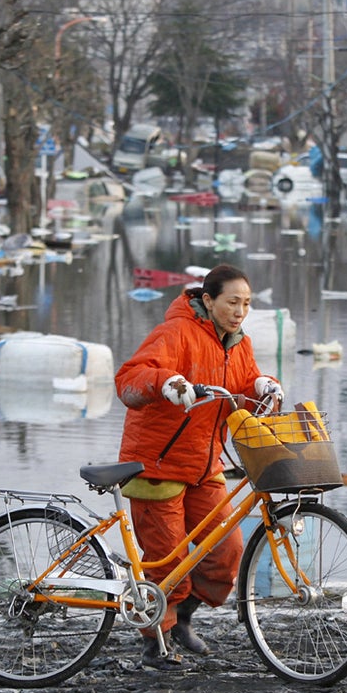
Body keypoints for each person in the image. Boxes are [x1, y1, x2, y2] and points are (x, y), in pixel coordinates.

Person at [114, 264, 283, 669]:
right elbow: (129, 379)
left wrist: (262, 385)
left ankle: (183, 619)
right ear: (208, 301)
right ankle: (156, 641)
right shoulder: (176, 333)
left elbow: (241, 389)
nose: (240, 311)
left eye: (246, 303)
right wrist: (167, 383)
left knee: (226, 551)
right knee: (168, 561)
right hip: (157, 464)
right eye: (232, 302)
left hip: (204, 466)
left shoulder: (239, 344)